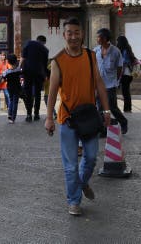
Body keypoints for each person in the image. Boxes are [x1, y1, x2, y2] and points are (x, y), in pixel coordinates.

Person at [44, 18, 111, 216]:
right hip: (68, 119)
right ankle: (74, 201)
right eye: (69, 33)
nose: (73, 36)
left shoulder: (91, 56)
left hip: (89, 117)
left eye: (77, 32)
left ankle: (82, 183)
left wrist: (107, 110)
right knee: (71, 166)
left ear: (82, 34)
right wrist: (49, 118)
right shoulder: (58, 61)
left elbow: (99, 83)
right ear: (64, 35)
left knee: (90, 157)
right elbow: (52, 91)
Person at [94, 28, 127, 134]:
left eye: (98, 37)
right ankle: (103, 129)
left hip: (110, 84)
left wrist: (116, 81)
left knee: (112, 107)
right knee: (99, 107)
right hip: (99, 84)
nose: (97, 39)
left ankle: (123, 122)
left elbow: (119, 67)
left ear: (104, 38)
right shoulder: (96, 50)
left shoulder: (115, 51)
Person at [21, 35, 49, 122]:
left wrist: (20, 69)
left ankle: (29, 115)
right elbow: (45, 65)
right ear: (44, 42)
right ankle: (36, 114)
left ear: (37, 39)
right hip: (39, 73)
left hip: (28, 72)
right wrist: (46, 75)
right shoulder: (45, 49)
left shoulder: (29, 43)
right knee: (37, 94)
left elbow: (23, 58)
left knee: (28, 94)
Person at [116, 35, 137, 113]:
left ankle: (127, 108)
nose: (117, 43)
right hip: (129, 74)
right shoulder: (128, 49)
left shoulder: (124, 51)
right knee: (126, 91)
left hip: (125, 73)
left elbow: (124, 62)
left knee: (125, 92)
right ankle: (127, 108)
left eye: (118, 41)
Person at [5, 54, 22, 124]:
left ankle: (9, 114)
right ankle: (13, 118)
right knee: (15, 102)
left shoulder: (6, 72)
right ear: (15, 61)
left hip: (9, 87)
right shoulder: (18, 70)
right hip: (17, 88)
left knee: (11, 100)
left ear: (8, 62)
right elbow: (22, 75)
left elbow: (3, 79)